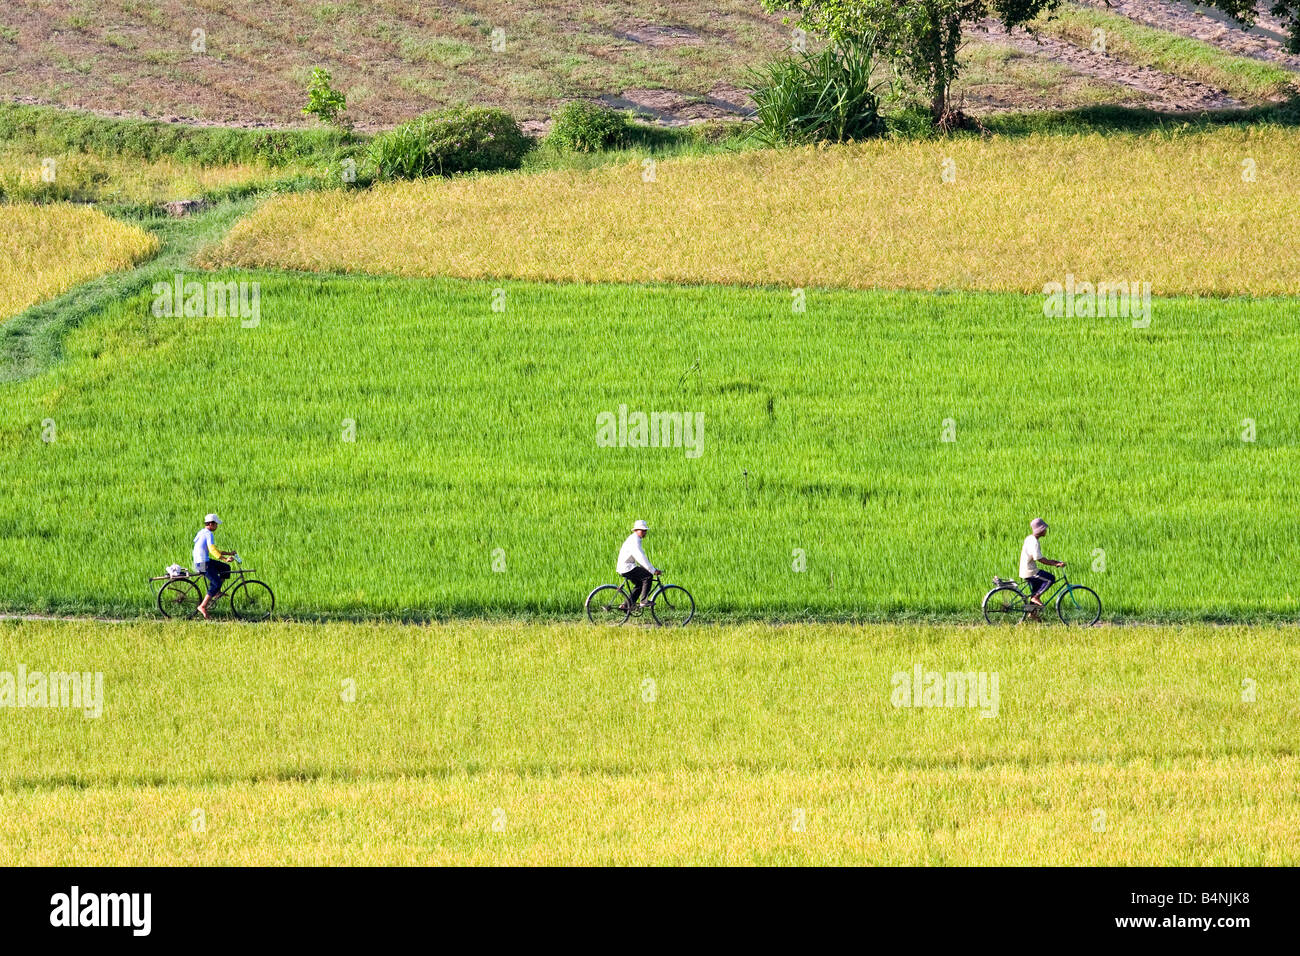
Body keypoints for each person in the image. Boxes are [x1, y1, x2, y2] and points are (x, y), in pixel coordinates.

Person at [194, 513, 236, 620]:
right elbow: (212, 550)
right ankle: (202, 606)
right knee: (216, 582)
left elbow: (213, 549)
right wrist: (224, 559)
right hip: (202, 564)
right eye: (216, 524)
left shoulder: (202, 532)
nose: (217, 526)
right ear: (211, 524)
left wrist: (229, 553)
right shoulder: (208, 534)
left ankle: (216, 591)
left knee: (226, 568)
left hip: (203, 561)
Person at [1020, 517, 1065, 618]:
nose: (1046, 530)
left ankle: (1033, 614)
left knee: (1036, 589)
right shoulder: (1034, 542)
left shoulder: (1030, 538)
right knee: (1050, 579)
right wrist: (1054, 564)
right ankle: (1036, 598)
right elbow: (1039, 559)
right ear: (1040, 530)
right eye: (1044, 528)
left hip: (1026, 570)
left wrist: (1055, 562)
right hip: (1030, 571)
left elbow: (1040, 557)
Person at [617, 519, 660, 610]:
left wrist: (649, 568)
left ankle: (626, 605)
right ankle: (644, 601)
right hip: (627, 567)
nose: (644, 532)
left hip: (627, 566)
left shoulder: (635, 539)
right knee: (648, 576)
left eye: (645, 530)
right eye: (642, 530)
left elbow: (640, 558)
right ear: (636, 530)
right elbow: (640, 557)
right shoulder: (634, 541)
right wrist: (652, 570)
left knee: (640, 584)